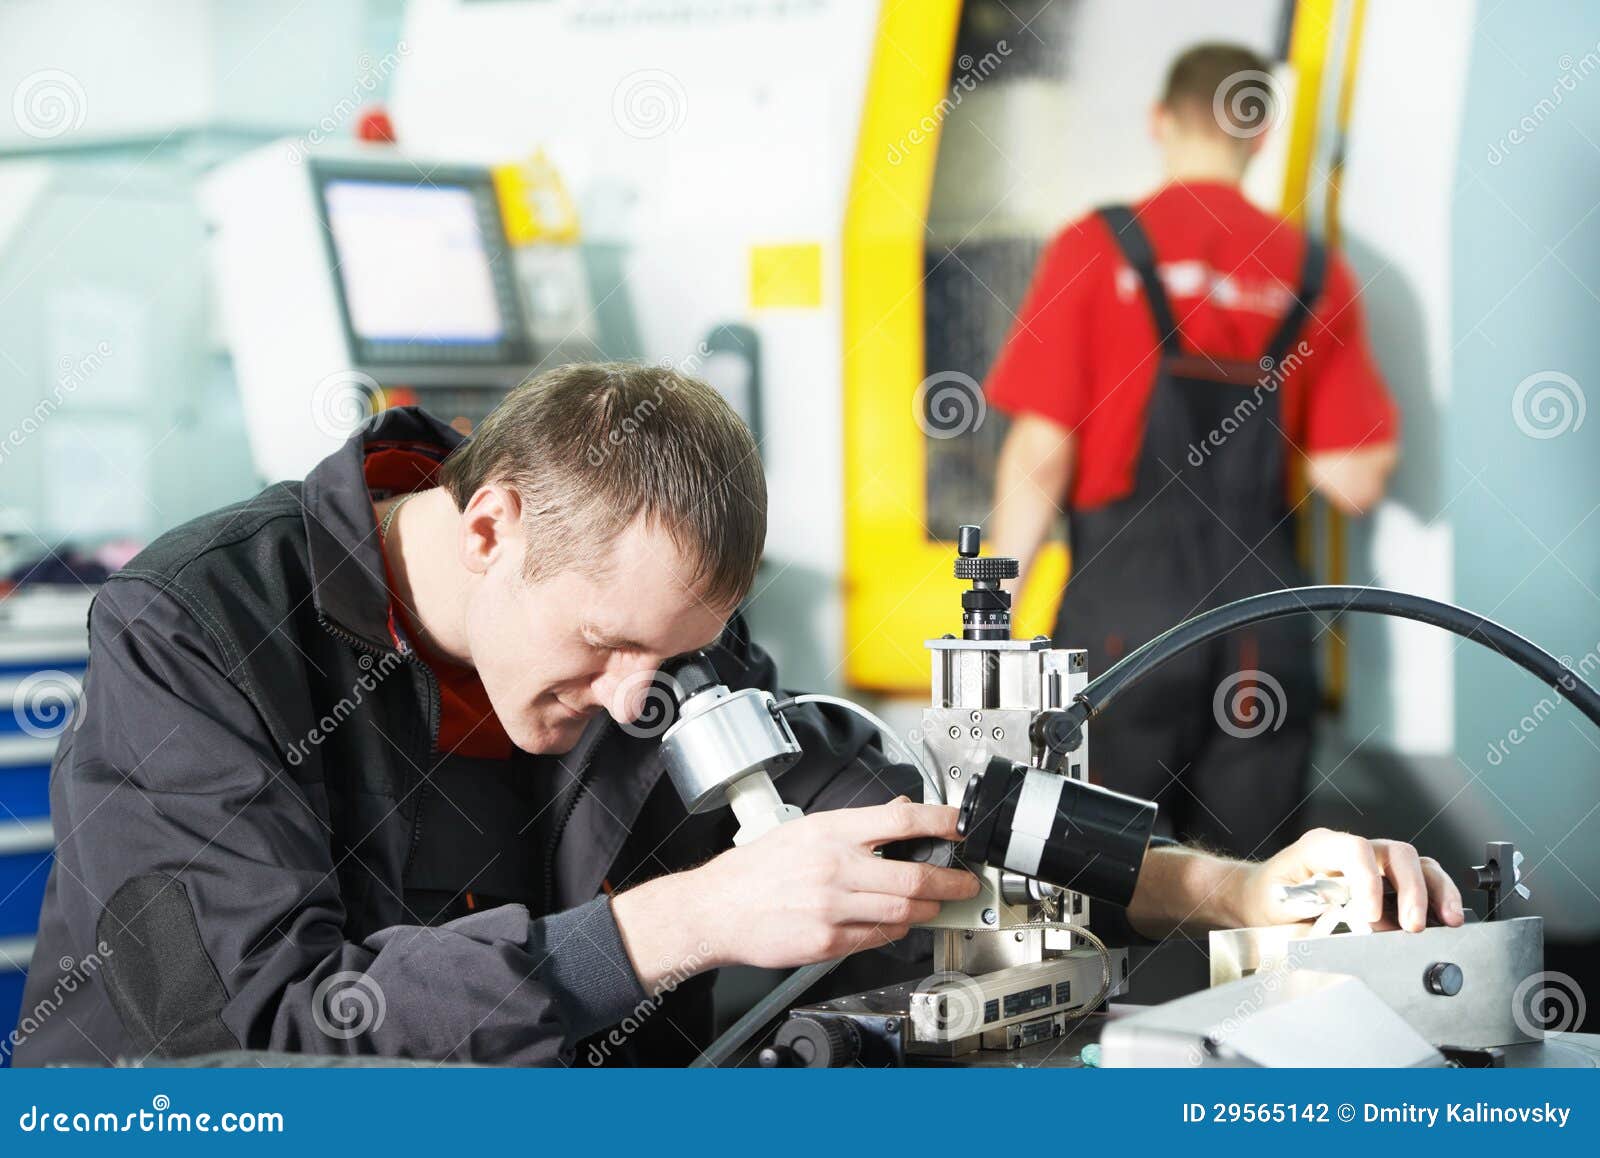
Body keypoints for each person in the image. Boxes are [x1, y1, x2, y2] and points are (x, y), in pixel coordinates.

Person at [17, 363, 1453, 1069]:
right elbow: (273, 1037)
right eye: (606, 646)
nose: (643, 695)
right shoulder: (198, 635)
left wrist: (1230, 882)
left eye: (679, 655)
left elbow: (876, 811)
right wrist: (686, 920)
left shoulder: (649, 629)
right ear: (493, 524)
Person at [986, 43, 1399, 858]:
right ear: (1259, 132)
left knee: (1086, 888)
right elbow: (1354, 478)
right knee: (1259, 904)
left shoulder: (1098, 247)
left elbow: (1041, 452)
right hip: (1263, 630)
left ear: (1161, 122)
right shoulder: (1314, 269)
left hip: (1123, 631)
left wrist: (992, 626)